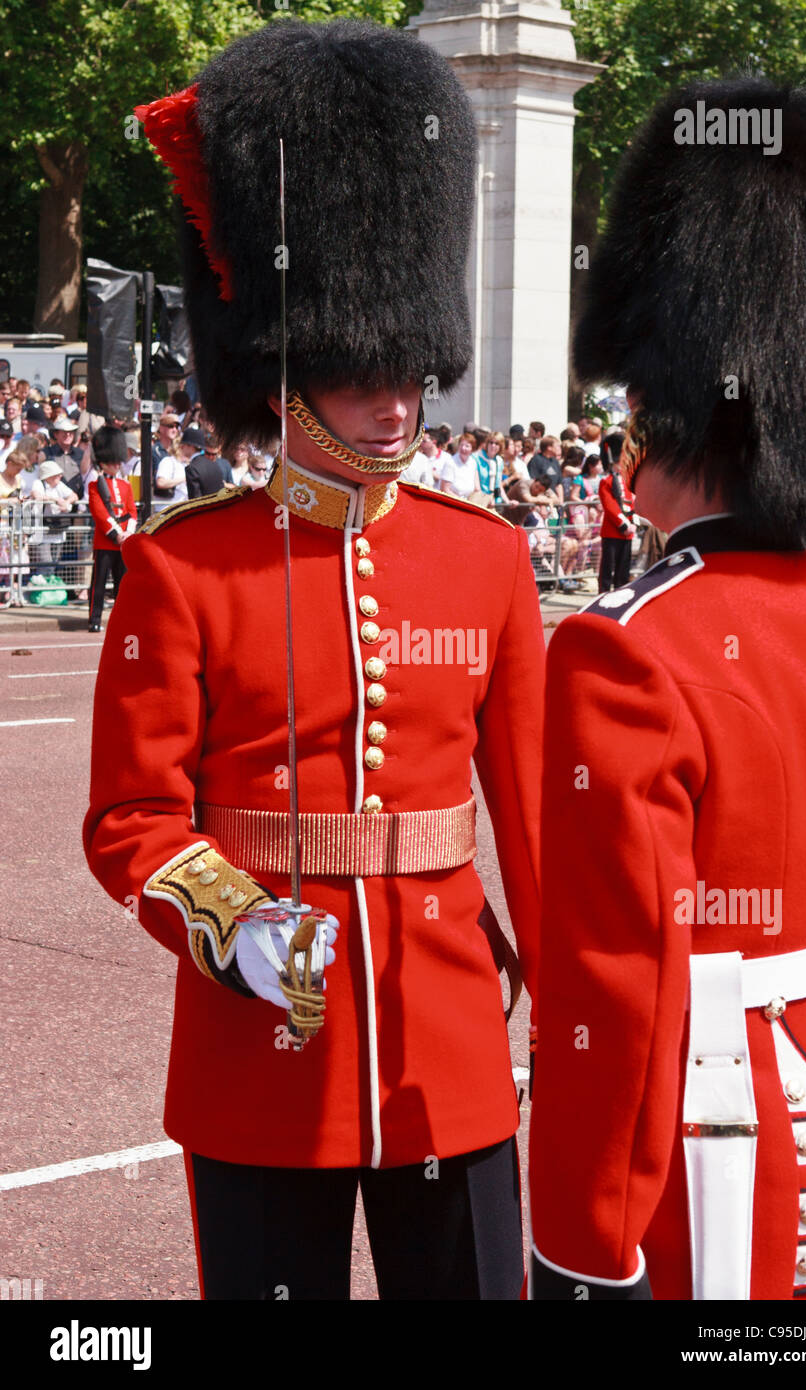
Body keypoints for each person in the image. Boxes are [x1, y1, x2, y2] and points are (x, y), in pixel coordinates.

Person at [84, 17, 542, 1303]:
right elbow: (128, 816)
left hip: (445, 1039)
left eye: (407, 370)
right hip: (260, 1042)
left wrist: (573, 1013)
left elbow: (536, 817)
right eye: (356, 373)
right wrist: (231, 922)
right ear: (286, 374)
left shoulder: (486, 561)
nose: (395, 402)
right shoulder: (184, 568)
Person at [529, 77, 806, 1302]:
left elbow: (618, 985)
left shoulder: (624, 648)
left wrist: (579, 1233)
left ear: (652, 427)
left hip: (712, 1146)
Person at [86, 425, 136, 632]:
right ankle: (95, 620)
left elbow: (131, 511)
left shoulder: (126, 486)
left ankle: (121, 619)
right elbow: (99, 513)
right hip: (106, 541)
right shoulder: (95, 485)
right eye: (112, 460)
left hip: (123, 542)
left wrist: (128, 534)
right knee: (98, 585)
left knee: (121, 586)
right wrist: (116, 534)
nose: (116, 464)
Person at [597, 432, 636, 591]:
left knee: (623, 570)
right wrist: (624, 523)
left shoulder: (627, 480)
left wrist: (633, 522)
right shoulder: (606, 481)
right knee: (608, 568)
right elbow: (610, 506)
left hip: (628, 530)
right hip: (613, 530)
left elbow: (632, 502)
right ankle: (603, 594)